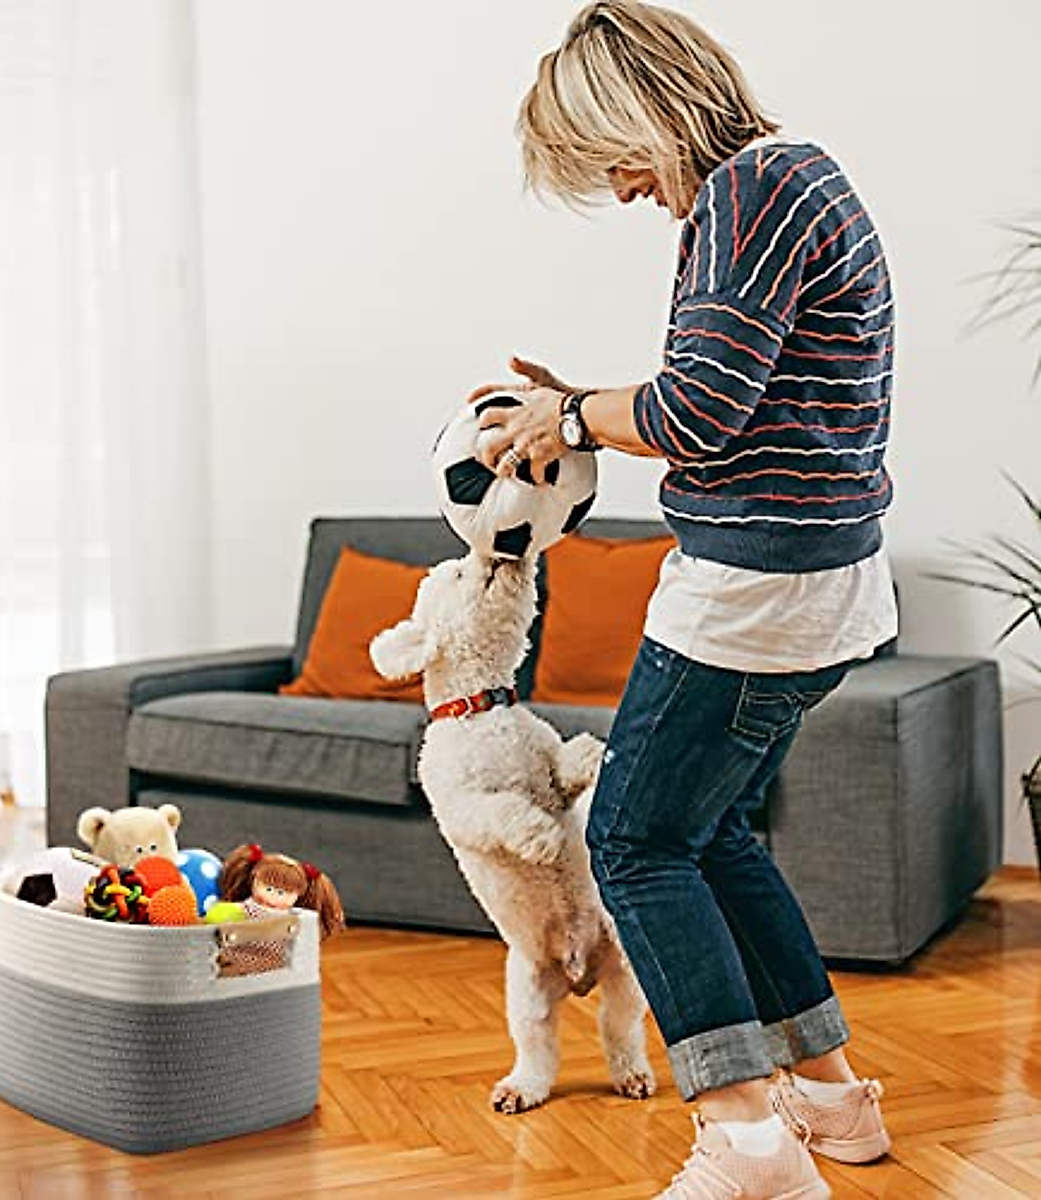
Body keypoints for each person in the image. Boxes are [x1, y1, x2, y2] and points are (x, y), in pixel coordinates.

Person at [471, 3, 898, 1197]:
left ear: (644, 111)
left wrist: (572, 417)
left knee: (635, 840)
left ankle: (748, 1141)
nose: (618, 191)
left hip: (754, 589)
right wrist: (589, 403)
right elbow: (726, 393)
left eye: (607, 158)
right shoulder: (795, 181)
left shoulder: (748, 193)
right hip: (825, 578)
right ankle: (829, 1103)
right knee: (708, 832)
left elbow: (696, 412)